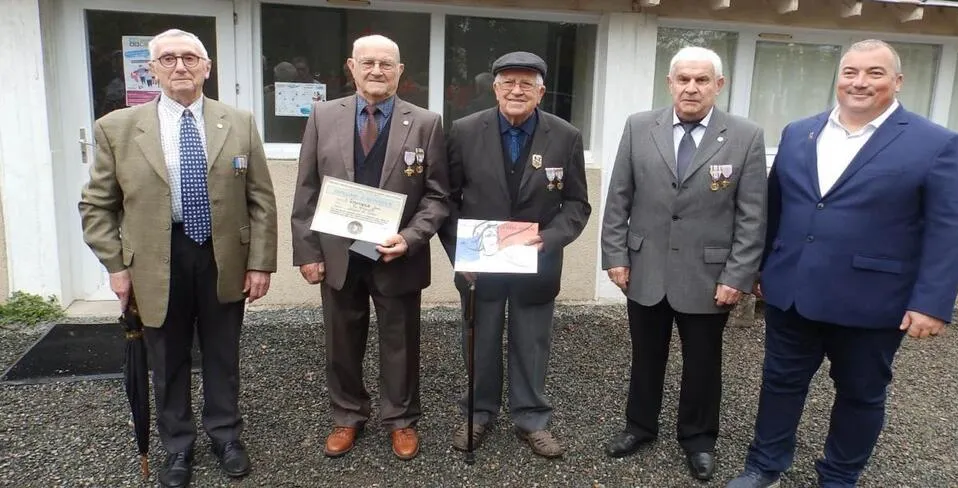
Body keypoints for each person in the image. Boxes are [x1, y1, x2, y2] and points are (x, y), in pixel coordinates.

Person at [725, 40, 958, 488]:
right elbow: (777, 206)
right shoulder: (799, 132)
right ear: (838, 78)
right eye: (850, 72)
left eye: (875, 73)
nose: (860, 82)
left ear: (897, 82)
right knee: (780, 384)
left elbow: (951, 230)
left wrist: (932, 303)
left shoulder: (935, 143)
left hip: (873, 301)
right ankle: (765, 466)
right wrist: (762, 267)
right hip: (792, 293)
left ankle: (839, 476)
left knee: (860, 394)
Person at [79, 29, 277, 488]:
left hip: (221, 256)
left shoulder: (240, 122)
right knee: (166, 357)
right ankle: (178, 447)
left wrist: (260, 262)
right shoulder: (118, 127)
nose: (180, 67)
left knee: (223, 353)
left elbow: (260, 199)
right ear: (153, 70)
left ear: (207, 67)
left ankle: (226, 435)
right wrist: (116, 266)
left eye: (190, 58)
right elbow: (97, 205)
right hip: (153, 259)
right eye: (168, 59)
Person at [600, 46, 767, 481]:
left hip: (710, 275)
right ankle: (639, 426)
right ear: (670, 82)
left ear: (719, 85)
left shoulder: (745, 136)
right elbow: (619, 196)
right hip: (645, 267)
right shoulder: (639, 127)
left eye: (702, 80)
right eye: (684, 79)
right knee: (646, 355)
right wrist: (615, 255)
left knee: (703, 362)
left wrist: (738, 274)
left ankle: (698, 439)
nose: (692, 88)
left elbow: (752, 215)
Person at [290, 34, 448, 461]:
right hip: (339, 251)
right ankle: (347, 416)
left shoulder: (426, 122)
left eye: (386, 64)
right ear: (352, 67)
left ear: (400, 71)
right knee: (341, 340)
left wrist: (411, 238)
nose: (377, 71)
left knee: (401, 341)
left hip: (395, 253)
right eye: (368, 63)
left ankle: (400, 420)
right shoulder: (323, 115)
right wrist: (307, 252)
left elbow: (437, 197)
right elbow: (306, 189)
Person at [440, 51, 591, 459]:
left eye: (527, 83)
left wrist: (552, 238)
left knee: (531, 343)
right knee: (479, 341)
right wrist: (461, 255)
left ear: (541, 91)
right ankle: (479, 412)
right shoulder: (464, 130)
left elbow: (577, 204)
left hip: (536, 264)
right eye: (508, 82)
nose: (517, 90)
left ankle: (531, 418)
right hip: (479, 267)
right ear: (494, 88)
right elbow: (446, 200)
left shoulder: (565, 136)